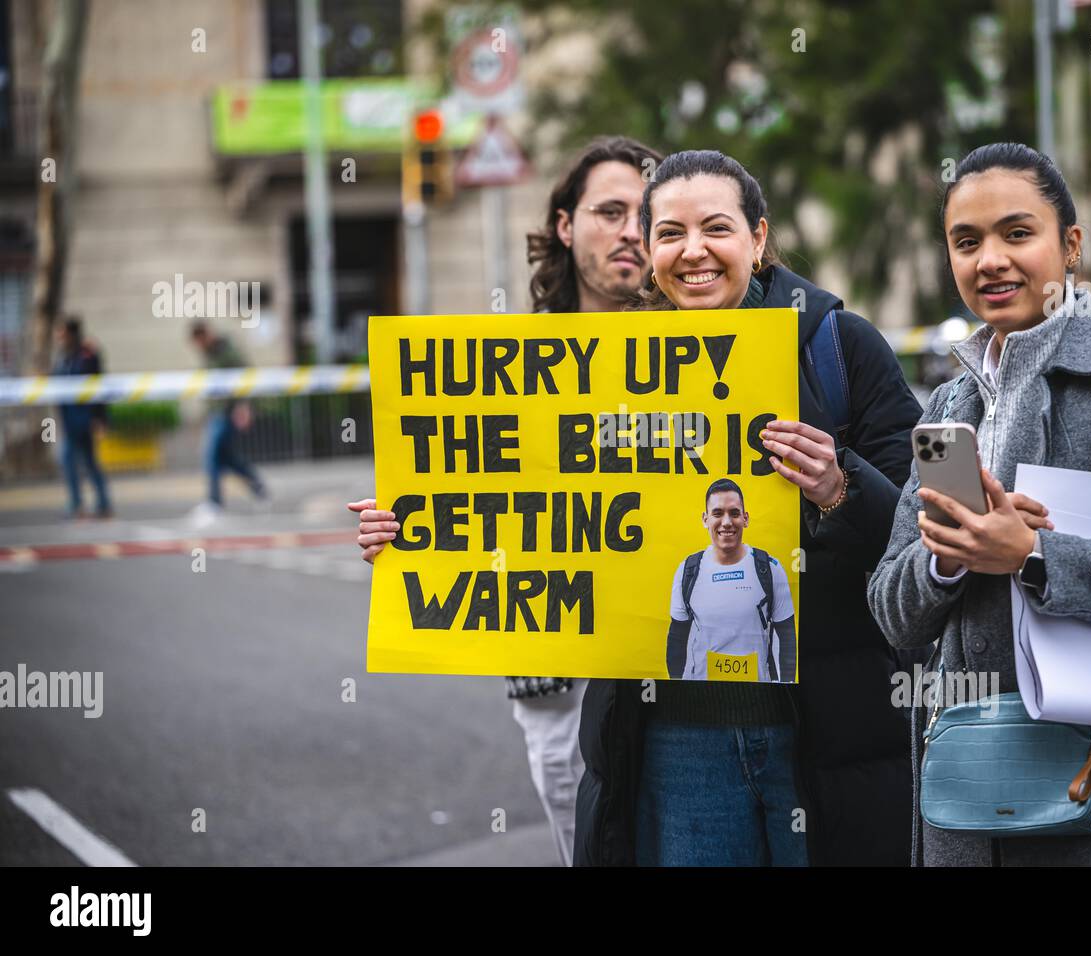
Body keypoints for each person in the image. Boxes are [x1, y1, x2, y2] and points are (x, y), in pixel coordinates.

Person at [866, 142, 1091, 867]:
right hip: (972, 796)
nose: (990, 261)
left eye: (1016, 233)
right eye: (966, 242)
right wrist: (946, 559)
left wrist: (1034, 557)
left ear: (1070, 246)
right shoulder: (950, 403)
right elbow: (890, 610)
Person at [574, 149, 924, 867]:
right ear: (648, 252)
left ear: (758, 238)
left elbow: (921, 536)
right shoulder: (606, 365)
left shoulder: (839, 346)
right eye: (670, 233)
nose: (693, 251)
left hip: (826, 732)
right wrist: (418, 534)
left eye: (717, 228)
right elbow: (533, 507)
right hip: (675, 739)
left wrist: (840, 485)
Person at [349, 136, 664, 866]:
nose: (632, 231)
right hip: (556, 683)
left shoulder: (712, 356)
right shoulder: (503, 373)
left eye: (649, 214)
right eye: (610, 211)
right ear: (564, 224)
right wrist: (402, 533)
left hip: (679, 678)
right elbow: (461, 507)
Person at [667, 479, 796, 683]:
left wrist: (785, 689)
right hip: (701, 699)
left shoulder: (770, 569)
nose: (726, 522)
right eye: (717, 513)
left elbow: (787, 636)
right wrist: (674, 691)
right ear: (705, 519)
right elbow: (677, 638)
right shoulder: (687, 570)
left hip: (757, 699)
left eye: (734, 513)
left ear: (745, 519)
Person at [189, 321, 266, 518]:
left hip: (228, 412)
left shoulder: (226, 349)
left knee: (211, 456)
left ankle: (214, 503)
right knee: (227, 458)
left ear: (204, 336)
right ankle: (258, 486)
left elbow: (245, 376)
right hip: (217, 411)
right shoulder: (210, 352)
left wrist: (244, 406)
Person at [52, 316, 112, 519]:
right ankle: (77, 506)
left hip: (85, 419)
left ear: (71, 333)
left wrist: (100, 419)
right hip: (69, 421)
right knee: (68, 461)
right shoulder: (62, 357)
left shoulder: (87, 355)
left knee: (89, 462)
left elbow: (99, 387)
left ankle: (103, 504)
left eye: (62, 332)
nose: (59, 336)